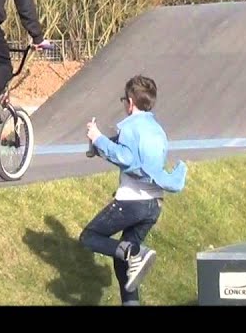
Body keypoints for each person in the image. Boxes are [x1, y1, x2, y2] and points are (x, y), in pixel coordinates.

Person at [80, 75, 187, 306]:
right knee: (124, 263)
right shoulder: (157, 130)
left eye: (123, 101)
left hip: (132, 202)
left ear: (130, 102)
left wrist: (97, 137)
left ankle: (136, 252)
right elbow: (138, 157)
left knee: (89, 237)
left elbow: (125, 157)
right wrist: (101, 144)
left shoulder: (131, 126)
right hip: (154, 204)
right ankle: (133, 267)